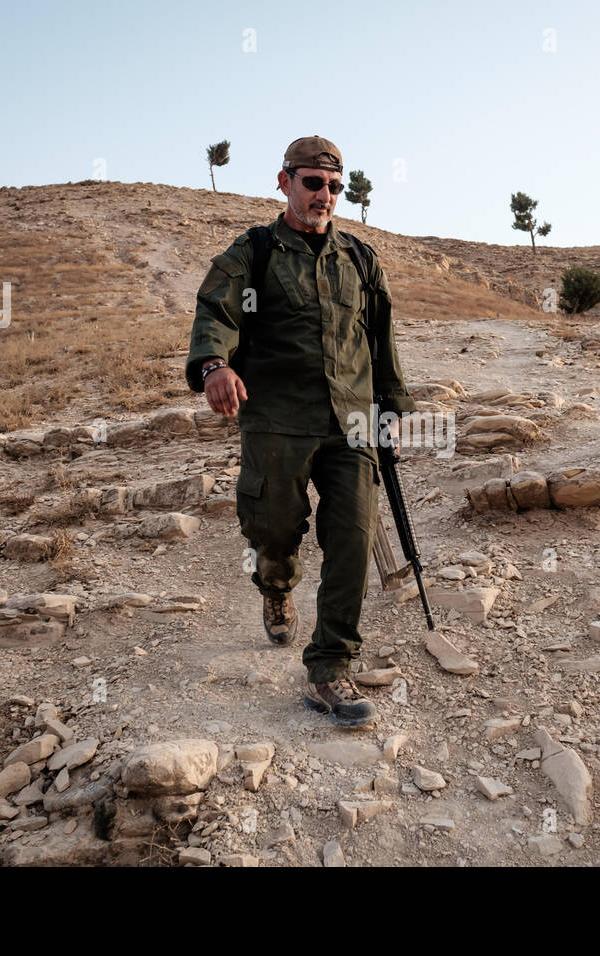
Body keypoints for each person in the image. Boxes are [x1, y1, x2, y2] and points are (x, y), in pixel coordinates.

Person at [186, 135, 416, 728]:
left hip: (353, 421)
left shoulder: (361, 260)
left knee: (352, 536)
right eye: (313, 183)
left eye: (335, 186)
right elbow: (216, 311)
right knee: (274, 528)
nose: (325, 195)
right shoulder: (254, 252)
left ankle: (329, 667)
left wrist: (391, 406)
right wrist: (215, 366)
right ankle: (276, 585)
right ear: (284, 182)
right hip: (278, 421)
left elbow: (380, 338)